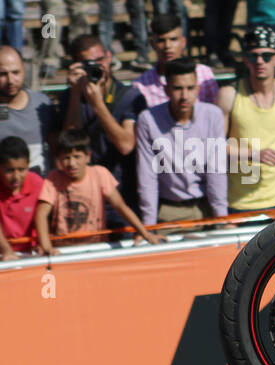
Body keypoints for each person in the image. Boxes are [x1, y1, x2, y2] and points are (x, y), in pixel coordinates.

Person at [135, 56, 228, 226]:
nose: (184, 95)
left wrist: (222, 217)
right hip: (169, 211)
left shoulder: (213, 115)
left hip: (206, 207)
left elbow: (217, 170)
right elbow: (147, 175)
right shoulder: (148, 120)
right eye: (177, 88)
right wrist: (149, 224)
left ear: (198, 89)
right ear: (166, 90)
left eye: (190, 88)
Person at [219, 26, 275, 213]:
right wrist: (253, 154)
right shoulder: (228, 95)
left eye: (266, 56)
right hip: (241, 202)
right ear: (245, 60)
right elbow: (214, 146)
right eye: (252, 56)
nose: (259, 61)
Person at [37, 127, 158, 251]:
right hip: (64, 249)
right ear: (58, 159)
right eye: (66, 158)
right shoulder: (53, 178)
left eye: (77, 156)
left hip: (96, 246)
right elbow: (41, 214)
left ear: (88, 156)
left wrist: (145, 233)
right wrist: (47, 246)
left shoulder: (100, 174)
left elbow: (120, 207)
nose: (72, 163)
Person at [59, 32, 143, 209]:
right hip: (84, 195)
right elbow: (68, 142)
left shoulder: (129, 96)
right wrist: (75, 94)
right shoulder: (70, 97)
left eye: (100, 60)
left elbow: (126, 145)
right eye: (89, 64)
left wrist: (98, 104)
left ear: (109, 56)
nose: (99, 67)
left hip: (122, 194)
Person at [0, 47, 57, 174]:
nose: (10, 80)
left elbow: (56, 149)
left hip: (42, 187)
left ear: (24, 71)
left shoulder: (42, 104)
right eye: (3, 74)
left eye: (15, 72)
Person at [0, 136, 42, 258]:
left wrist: (41, 242)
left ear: (28, 165)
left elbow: (43, 218)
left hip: (32, 252)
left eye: (21, 169)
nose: (16, 176)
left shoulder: (37, 184)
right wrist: (6, 251)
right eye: (10, 170)